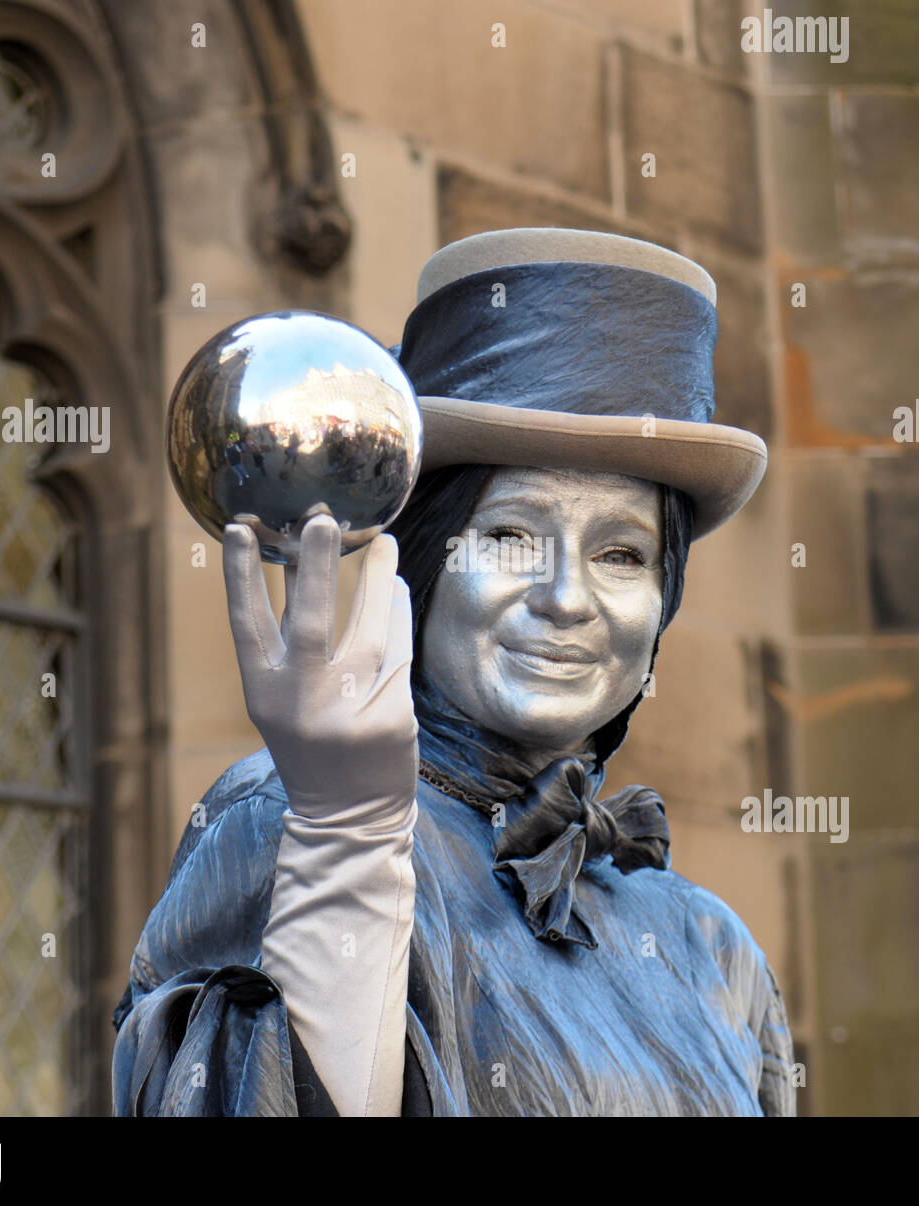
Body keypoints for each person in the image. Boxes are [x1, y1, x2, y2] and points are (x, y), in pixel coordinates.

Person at [112, 227, 793, 1117]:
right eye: (510, 535)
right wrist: (344, 847)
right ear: (426, 562)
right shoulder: (283, 821)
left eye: (622, 555)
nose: (566, 598)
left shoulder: (714, 946)